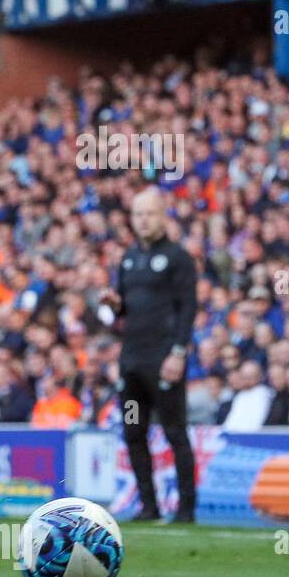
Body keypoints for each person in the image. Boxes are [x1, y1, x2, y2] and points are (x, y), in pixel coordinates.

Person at [107, 188, 198, 522]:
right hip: (131, 363)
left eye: (149, 213)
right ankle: (149, 505)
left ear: (163, 216)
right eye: (138, 214)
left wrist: (178, 353)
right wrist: (115, 306)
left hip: (163, 362)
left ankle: (187, 509)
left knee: (175, 432)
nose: (143, 220)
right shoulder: (128, 258)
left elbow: (188, 308)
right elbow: (125, 310)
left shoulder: (177, 258)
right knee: (134, 431)